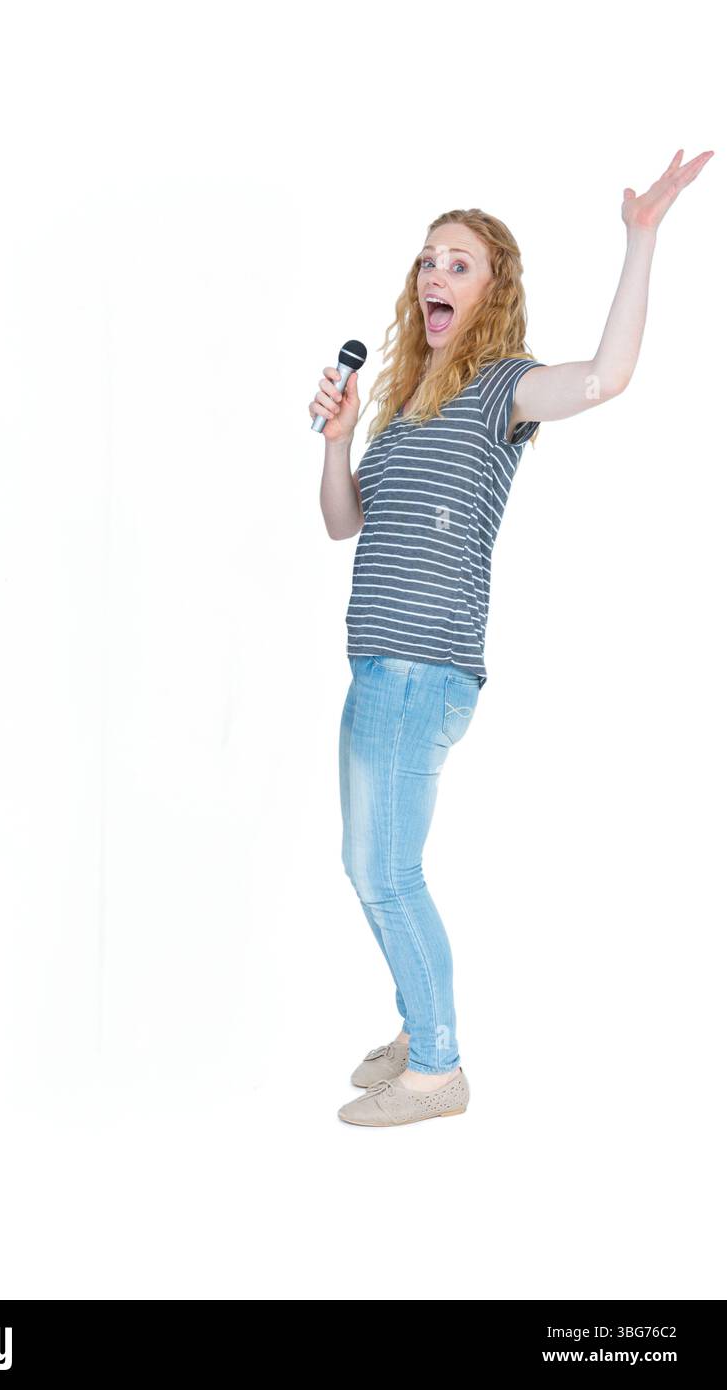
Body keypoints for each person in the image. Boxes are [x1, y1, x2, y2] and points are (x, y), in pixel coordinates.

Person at [310, 149, 713, 1128]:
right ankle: (418, 1022)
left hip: (421, 671)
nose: (432, 273)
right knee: (367, 862)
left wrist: (641, 236)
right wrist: (335, 438)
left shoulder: (500, 390)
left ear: (491, 288)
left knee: (385, 870)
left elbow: (608, 377)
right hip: (375, 665)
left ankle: (436, 1069)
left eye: (456, 261)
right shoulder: (401, 407)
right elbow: (340, 522)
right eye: (425, 259)